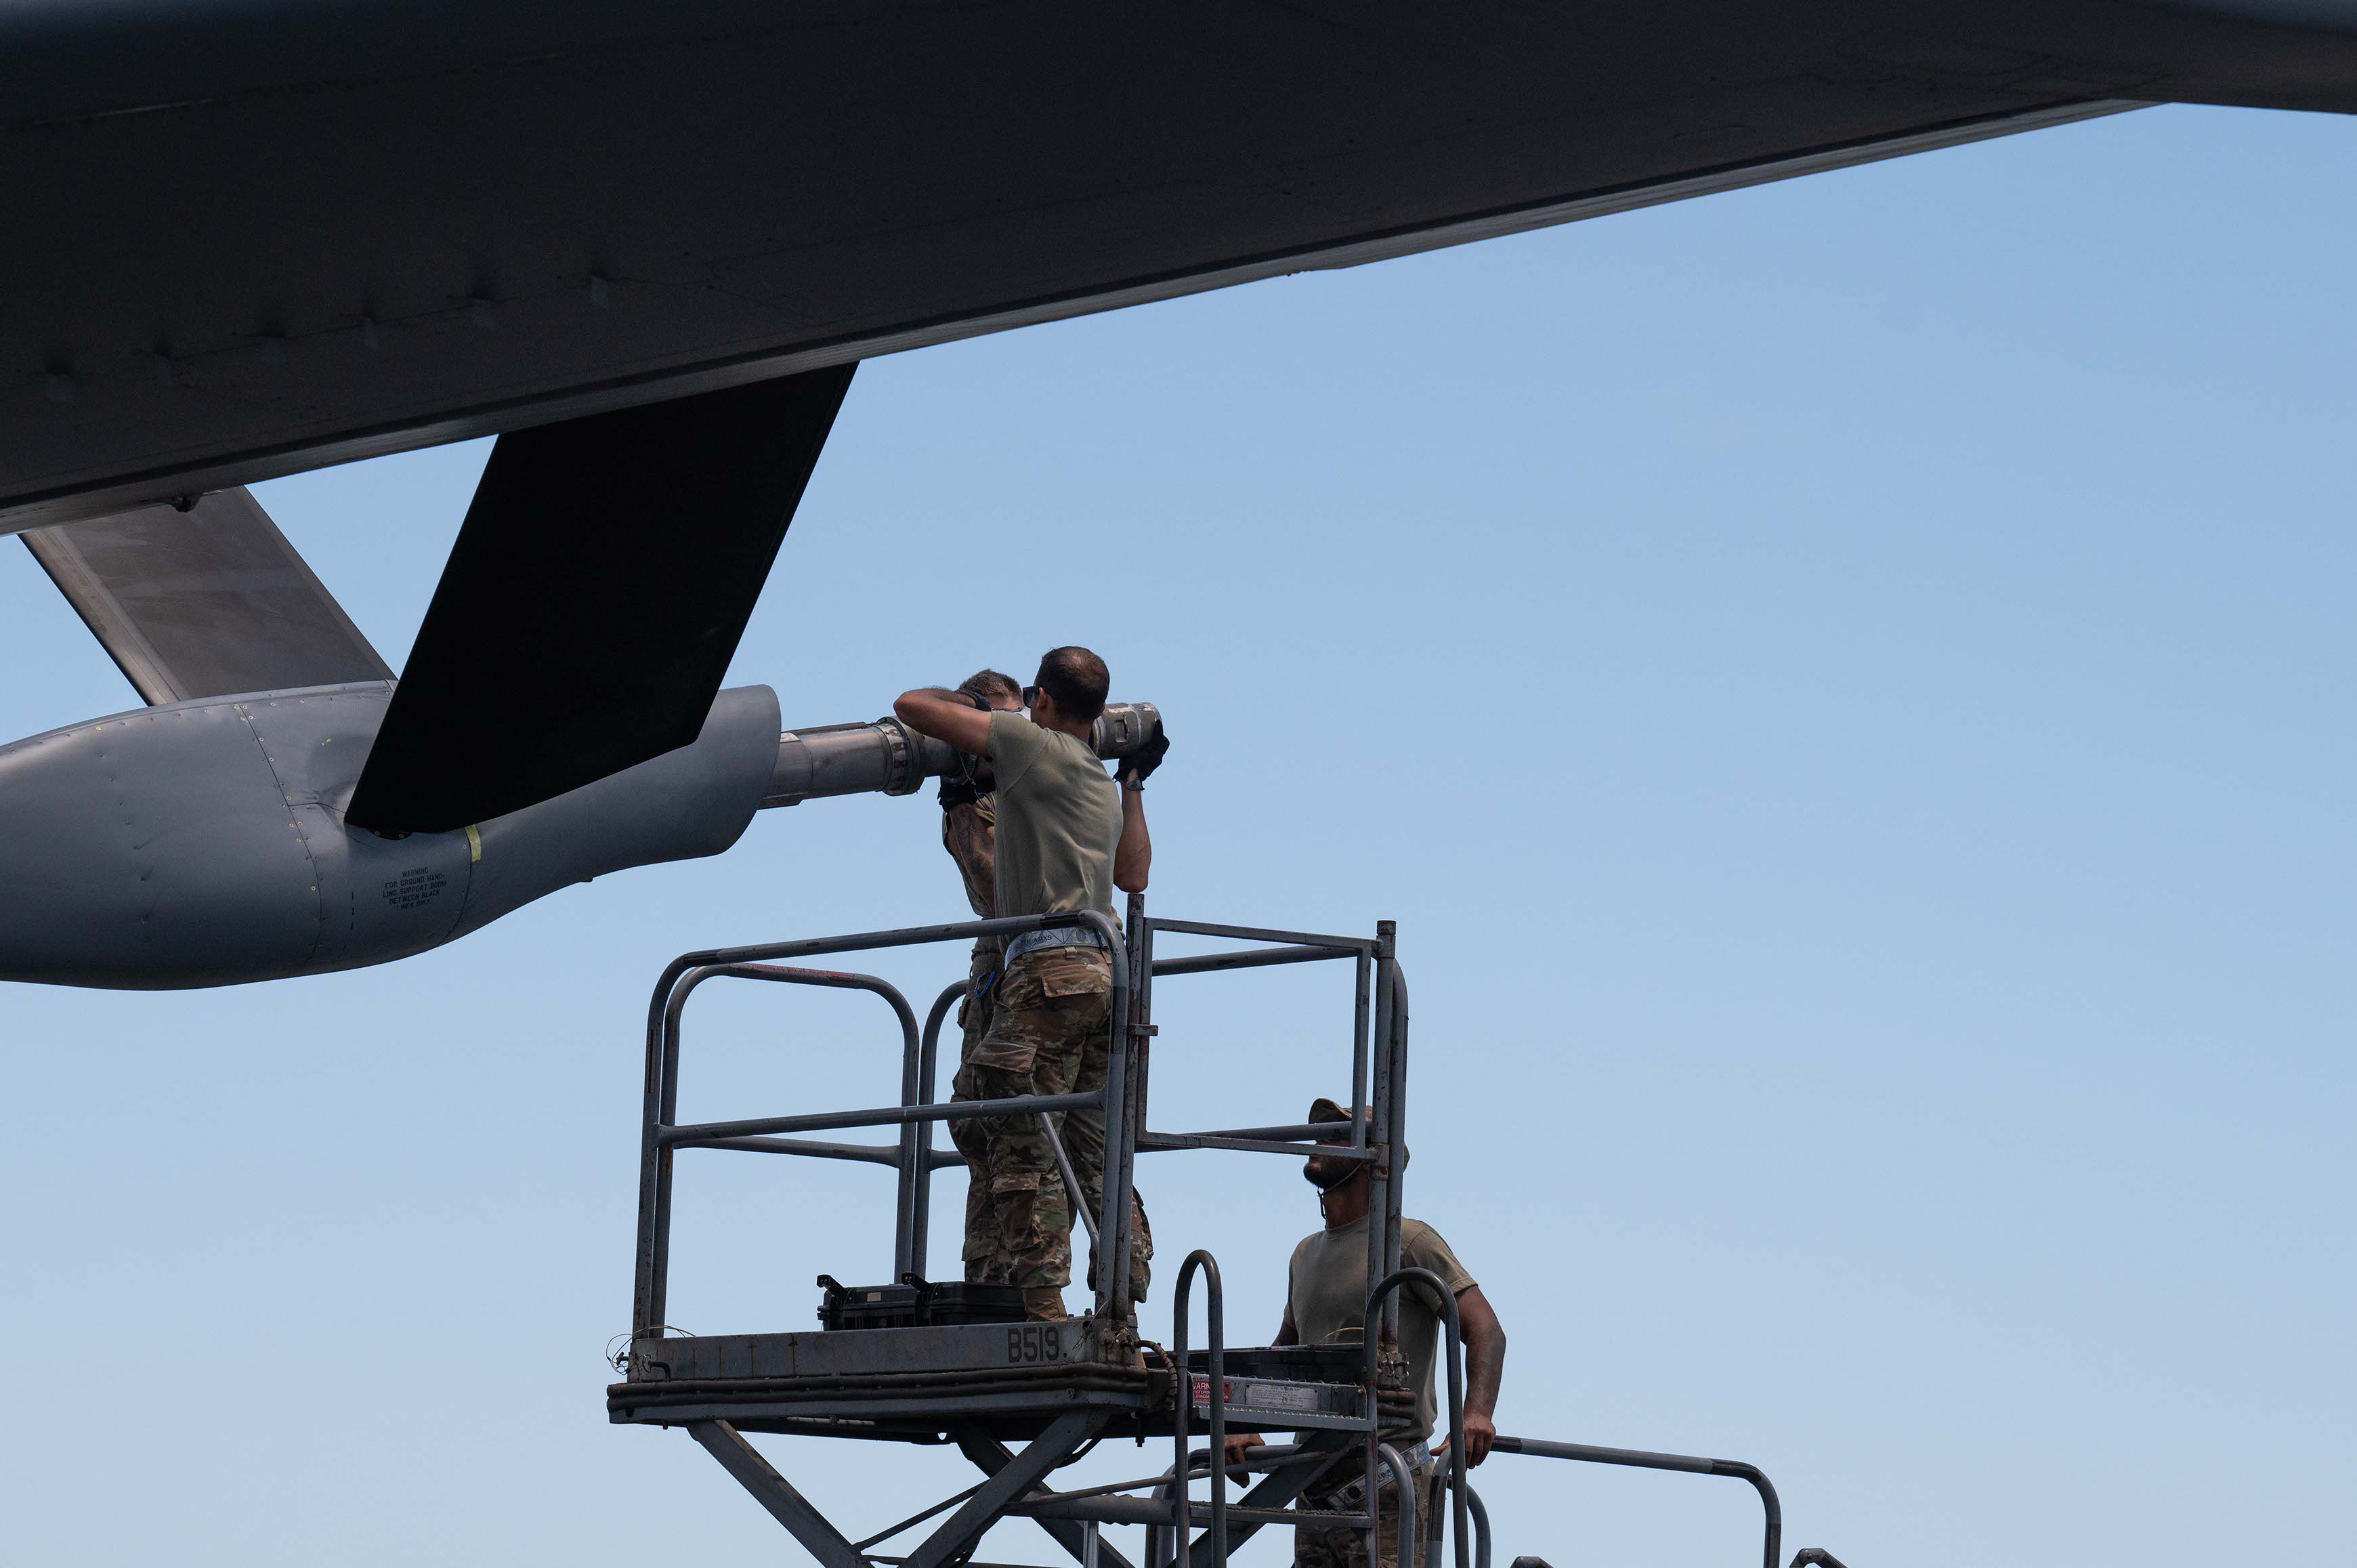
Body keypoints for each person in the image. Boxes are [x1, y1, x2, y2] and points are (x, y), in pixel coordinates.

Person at [895, 647, 1165, 1320]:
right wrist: (1132, 780)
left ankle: (1039, 1300)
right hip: (1108, 972)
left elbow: (910, 707)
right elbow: (1134, 876)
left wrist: (982, 717)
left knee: (1006, 1119)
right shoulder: (1099, 781)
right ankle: (1121, 1294)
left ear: (1041, 700)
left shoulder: (1031, 746)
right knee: (1091, 1139)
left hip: (1046, 969)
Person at [1223, 1098, 1507, 1568]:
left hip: (1387, 1479)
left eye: (1338, 1132)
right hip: (1312, 1484)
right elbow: (1287, 1349)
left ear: (1377, 1158)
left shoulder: (1410, 1241)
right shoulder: (1304, 1254)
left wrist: (1476, 1413)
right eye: (1323, 1130)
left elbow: (1485, 1327)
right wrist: (1244, 1418)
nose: (1321, 1139)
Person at [933, 669, 1028, 1287]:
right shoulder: (973, 799)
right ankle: (992, 1286)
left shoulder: (1043, 779)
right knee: (984, 1128)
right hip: (1003, 970)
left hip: (1058, 965)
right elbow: (995, 886)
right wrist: (965, 792)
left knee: (1066, 1133)